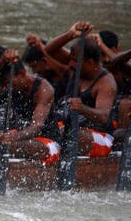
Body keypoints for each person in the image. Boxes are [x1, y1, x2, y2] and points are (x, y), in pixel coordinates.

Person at [44, 22, 117, 157]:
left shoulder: (106, 82)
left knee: (72, 133)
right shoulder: (76, 67)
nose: (70, 63)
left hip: (100, 137)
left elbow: (103, 117)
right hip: (69, 128)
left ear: (90, 62)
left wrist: (82, 108)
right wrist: (71, 34)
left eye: (74, 60)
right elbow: (49, 50)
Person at [0, 46, 60, 164]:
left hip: (46, 141)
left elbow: (36, 127)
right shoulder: (11, 85)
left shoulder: (43, 89)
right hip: (19, 138)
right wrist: (3, 59)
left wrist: (13, 138)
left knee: (4, 146)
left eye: (8, 83)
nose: (6, 87)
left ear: (22, 74)